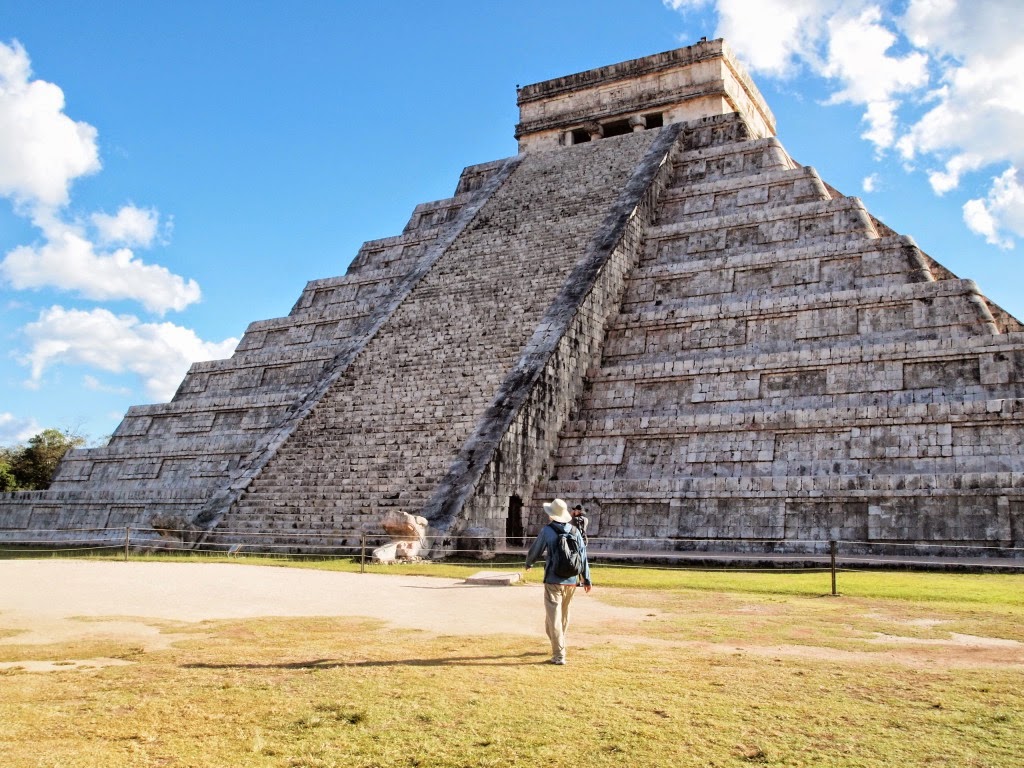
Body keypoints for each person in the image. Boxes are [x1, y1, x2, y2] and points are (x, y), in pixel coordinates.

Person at [524, 498, 592, 665]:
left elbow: (536, 549)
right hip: (571, 580)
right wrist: (586, 579)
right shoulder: (575, 531)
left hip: (553, 580)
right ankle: (559, 642)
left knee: (553, 618)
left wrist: (529, 563)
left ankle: (559, 655)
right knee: (562, 615)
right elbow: (583, 556)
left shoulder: (547, 531)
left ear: (551, 515)